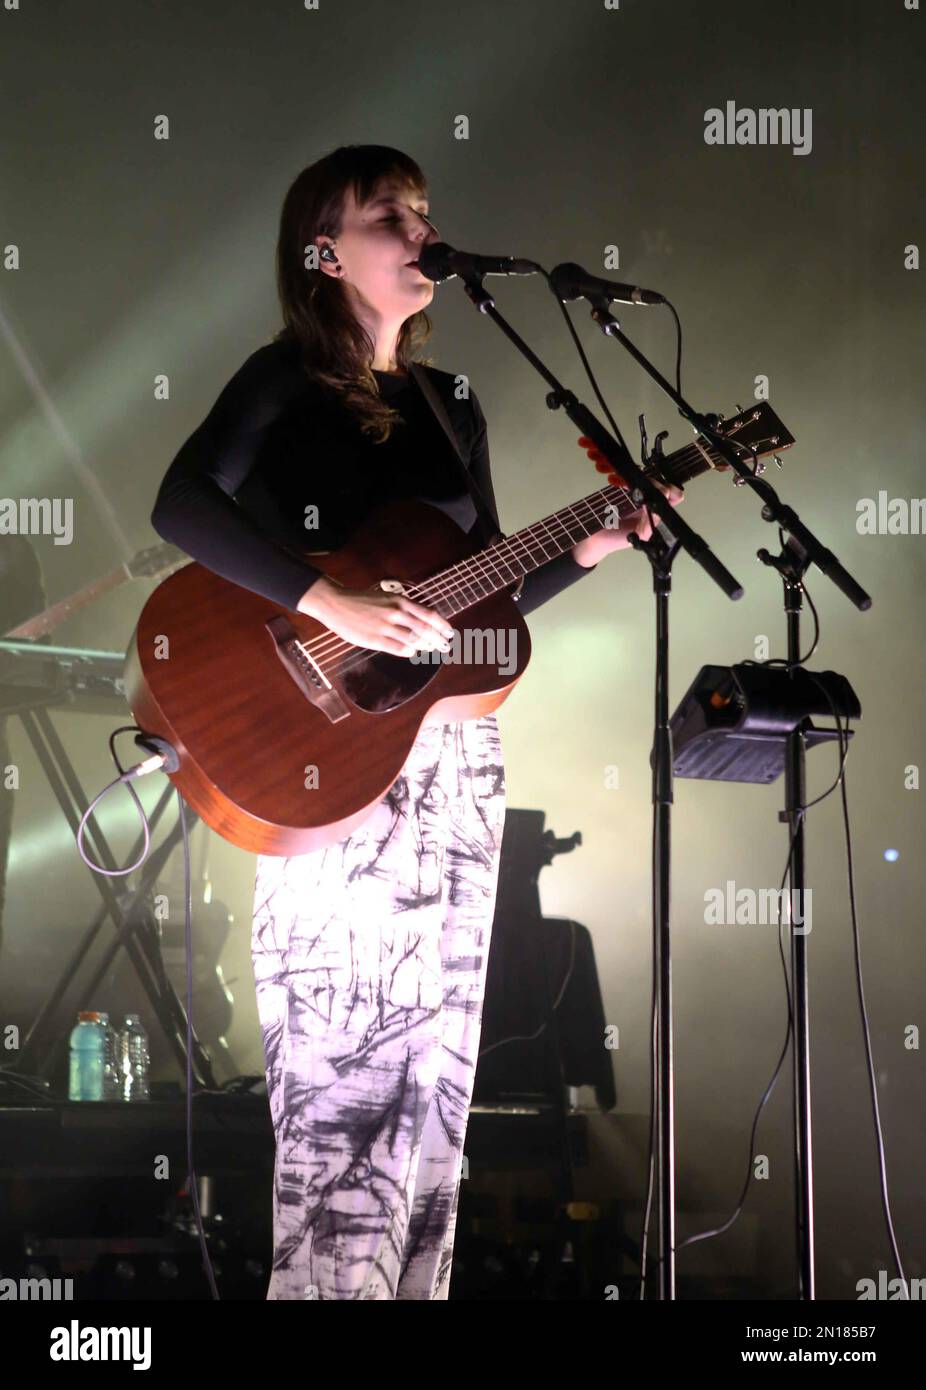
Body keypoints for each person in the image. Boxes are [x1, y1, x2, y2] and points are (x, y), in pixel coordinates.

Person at [150, 144, 682, 1300]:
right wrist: (324, 598)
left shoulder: (450, 405)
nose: (417, 225)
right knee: (346, 1081)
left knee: (434, 1079)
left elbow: (474, 596)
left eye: (424, 209)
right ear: (324, 250)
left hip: (449, 762)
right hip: (327, 757)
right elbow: (179, 503)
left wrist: (587, 544)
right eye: (386, 210)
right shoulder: (283, 378)